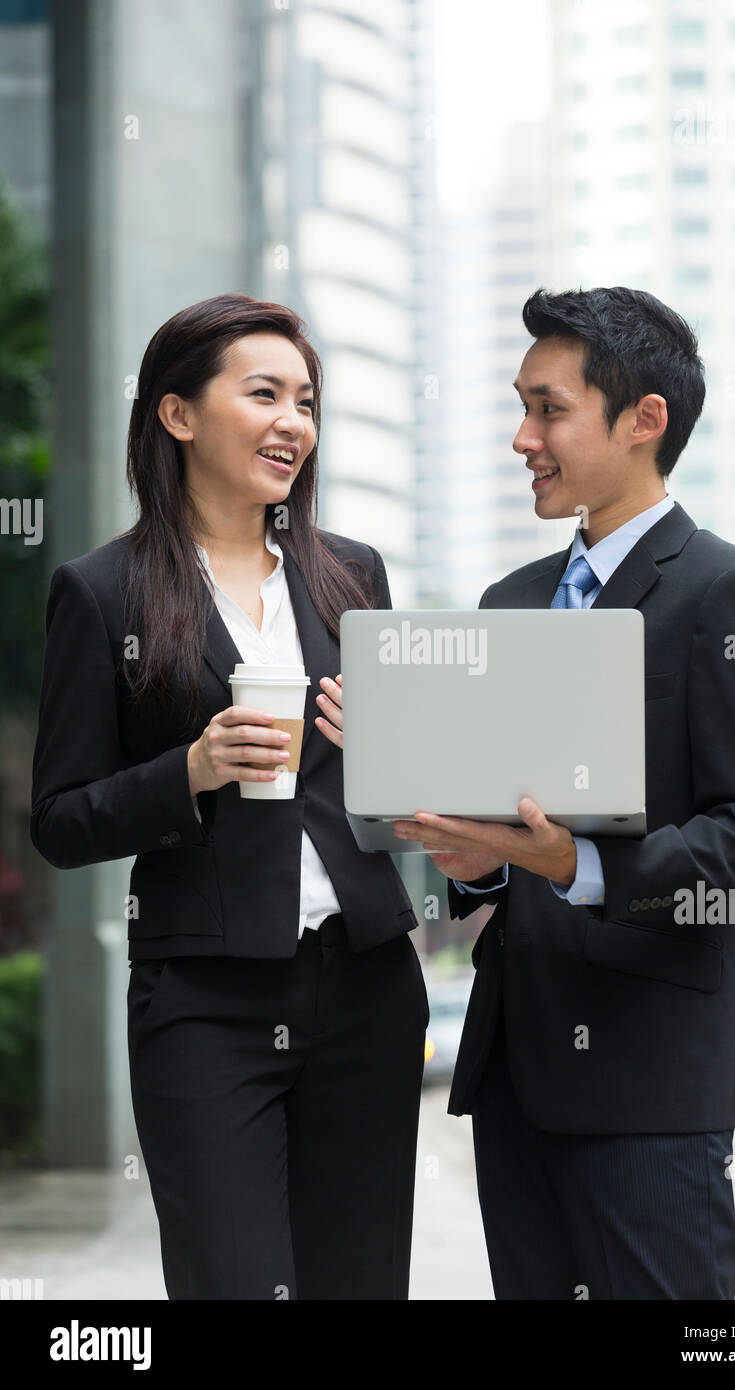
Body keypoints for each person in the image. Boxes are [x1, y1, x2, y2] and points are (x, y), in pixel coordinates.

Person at [389, 286, 735, 1300]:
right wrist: (473, 864)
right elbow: (495, 846)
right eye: (519, 406)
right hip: (515, 1070)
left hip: (650, 1080)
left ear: (642, 420)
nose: (520, 436)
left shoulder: (726, 593)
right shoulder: (508, 603)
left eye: (547, 408)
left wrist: (576, 863)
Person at [30, 293, 428, 1300]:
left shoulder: (352, 576)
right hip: (204, 1003)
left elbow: (392, 789)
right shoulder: (104, 591)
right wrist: (191, 770)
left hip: (368, 986)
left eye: (306, 400)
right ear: (177, 413)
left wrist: (399, 754)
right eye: (263, 394)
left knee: (358, 1284)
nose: (293, 421)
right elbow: (63, 817)